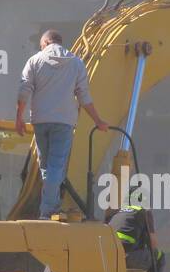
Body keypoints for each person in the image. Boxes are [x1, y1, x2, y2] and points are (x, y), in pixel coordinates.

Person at [15, 30, 108, 218]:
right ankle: (48, 209)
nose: (42, 48)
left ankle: (51, 205)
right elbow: (84, 96)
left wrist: (19, 117)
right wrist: (98, 120)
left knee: (46, 167)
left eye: (41, 45)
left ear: (46, 42)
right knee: (56, 166)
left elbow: (24, 90)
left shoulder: (34, 60)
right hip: (64, 122)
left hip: (40, 121)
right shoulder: (76, 63)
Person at [106, 202, 164, 272]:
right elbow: (153, 244)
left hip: (109, 259)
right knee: (159, 255)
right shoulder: (144, 212)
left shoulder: (119, 212)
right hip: (126, 258)